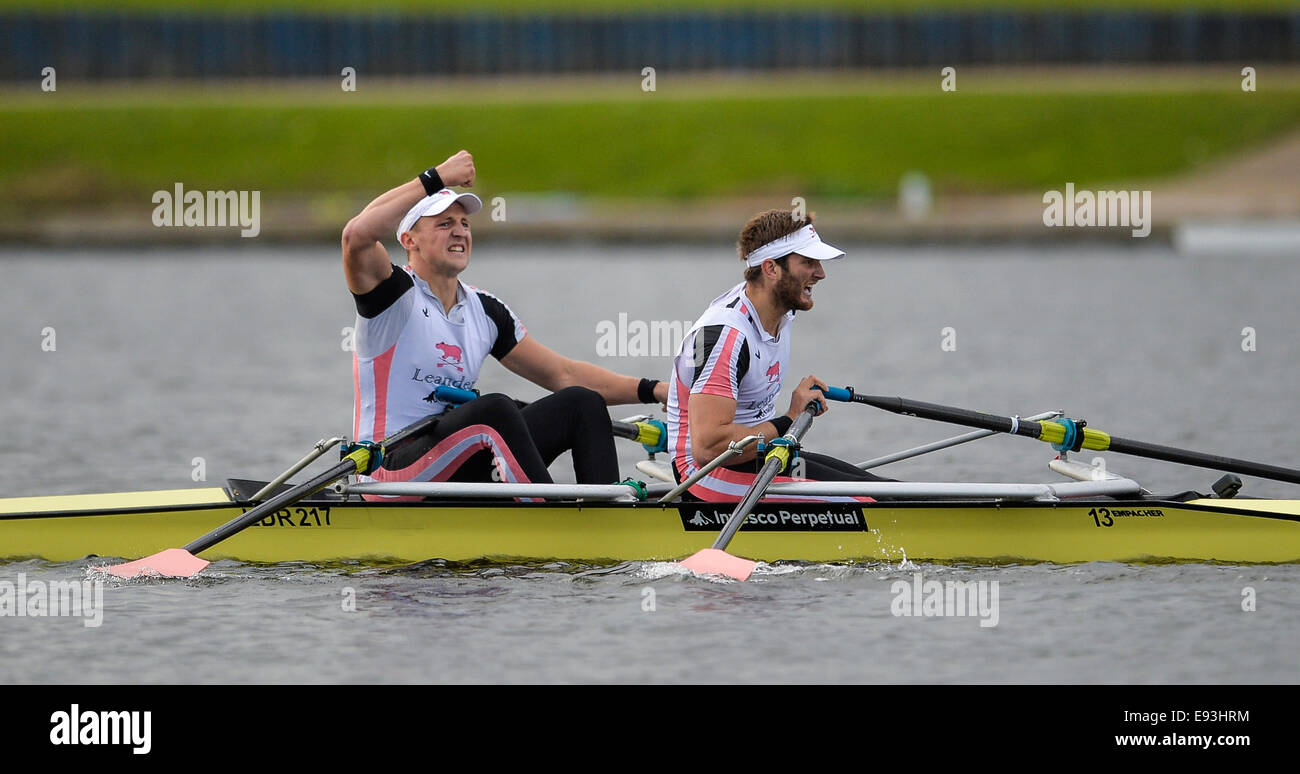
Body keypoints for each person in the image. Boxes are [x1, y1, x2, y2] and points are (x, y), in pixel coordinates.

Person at [341, 150, 668, 488]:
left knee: (582, 402)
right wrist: (435, 177)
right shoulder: (391, 295)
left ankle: (604, 522)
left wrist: (654, 389)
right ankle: (551, 519)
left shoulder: (485, 310)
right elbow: (356, 236)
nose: (459, 232)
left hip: (454, 458)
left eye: (464, 224)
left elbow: (563, 374)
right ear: (409, 240)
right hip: (389, 467)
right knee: (494, 409)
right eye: (444, 223)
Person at [665, 209, 890, 501]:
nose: (821, 273)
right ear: (770, 269)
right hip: (705, 476)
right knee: (869, 501)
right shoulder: (725, 336)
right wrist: (790, 418)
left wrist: (788, 420)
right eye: (808, 262)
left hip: (757, 457)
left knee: (889, 490)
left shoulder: (778, 309)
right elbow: (709, 449)